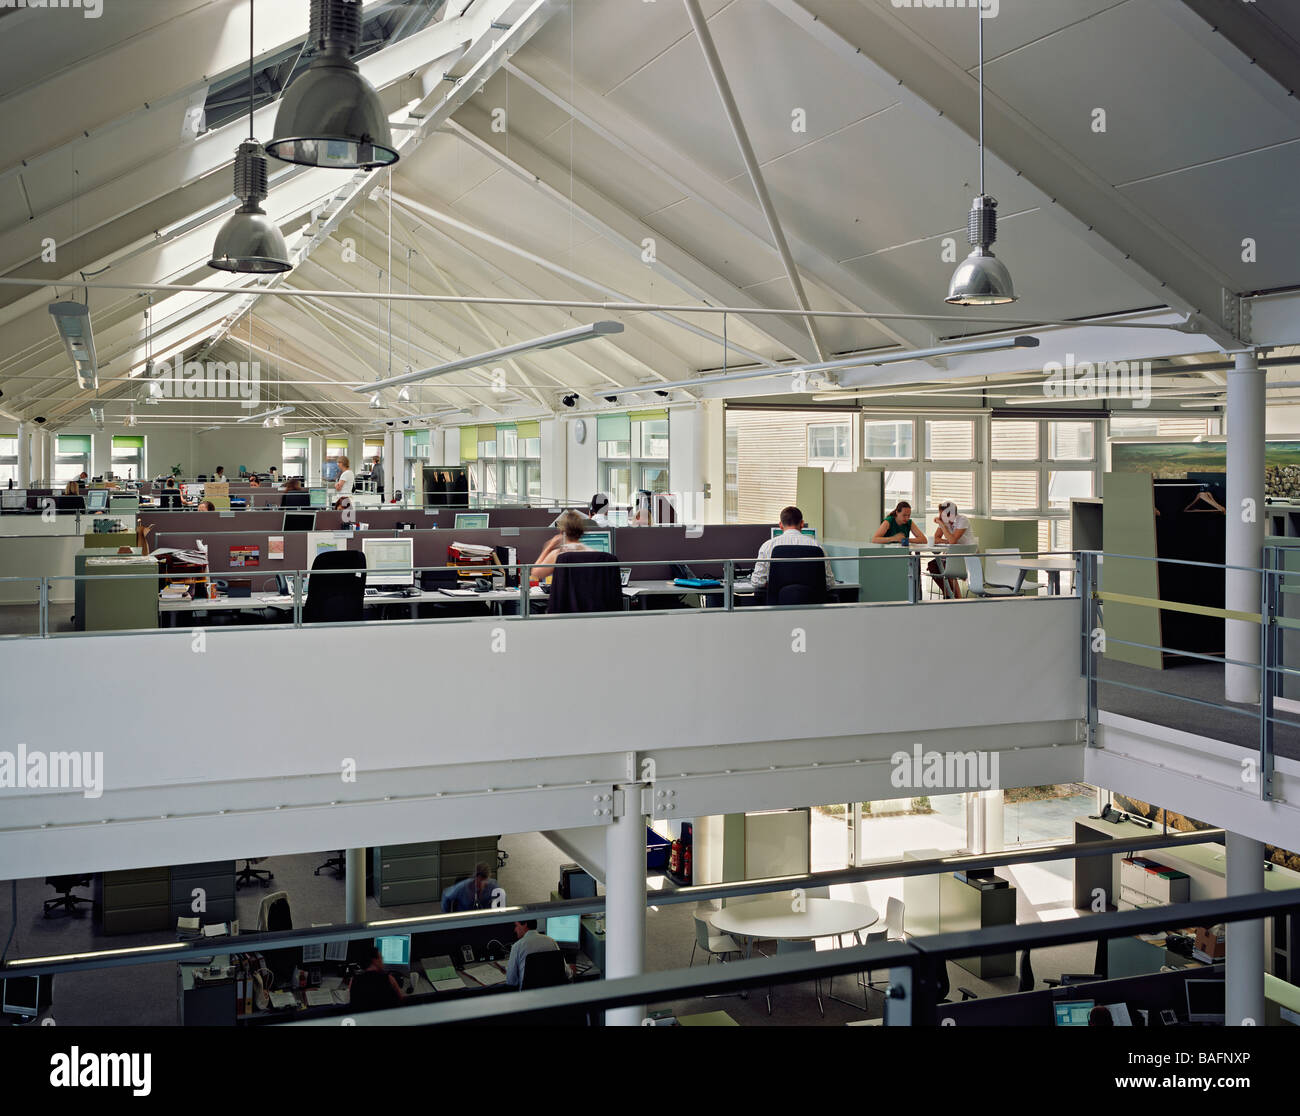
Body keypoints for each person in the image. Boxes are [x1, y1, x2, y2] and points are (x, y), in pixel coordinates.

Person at [751, 505, 834, 597]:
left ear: (780, 525)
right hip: (811, 605)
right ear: (802, 524)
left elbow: (757, 582)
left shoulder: (768, 546)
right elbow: (829, 583)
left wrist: (774, 586)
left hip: (778, 605)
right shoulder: (817, 546)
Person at [929, 500, 977, 598]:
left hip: (966, 557)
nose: (940, 517)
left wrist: (942, 525)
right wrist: (947, 540)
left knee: (944, 565)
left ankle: (954, 597)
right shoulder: (945, 522)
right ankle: (950, 595)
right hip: (953, 556)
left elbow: (952, 541)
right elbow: (936, 539)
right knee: (933, 565)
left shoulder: (962, 520)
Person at [532, 509, 590, 582]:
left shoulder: (558, 554)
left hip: (565, 593)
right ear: (581, 531)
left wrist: (548, 548)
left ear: (562, 532)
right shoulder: (594, 553)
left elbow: (536, 573)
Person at [504, 918, 561, 989]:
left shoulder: (517, 946)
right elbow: (567, 973)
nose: (515, 930)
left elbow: (511, 981)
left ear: (525, 924)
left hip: (528, 997)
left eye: (516, 925)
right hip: (552, 993)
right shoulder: (552, 941)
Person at [347, 946, 406, 1010]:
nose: (382, 961)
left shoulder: (353, 980)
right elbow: (401, 1000)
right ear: (375, 961)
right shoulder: (389, 979)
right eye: (381, 957)